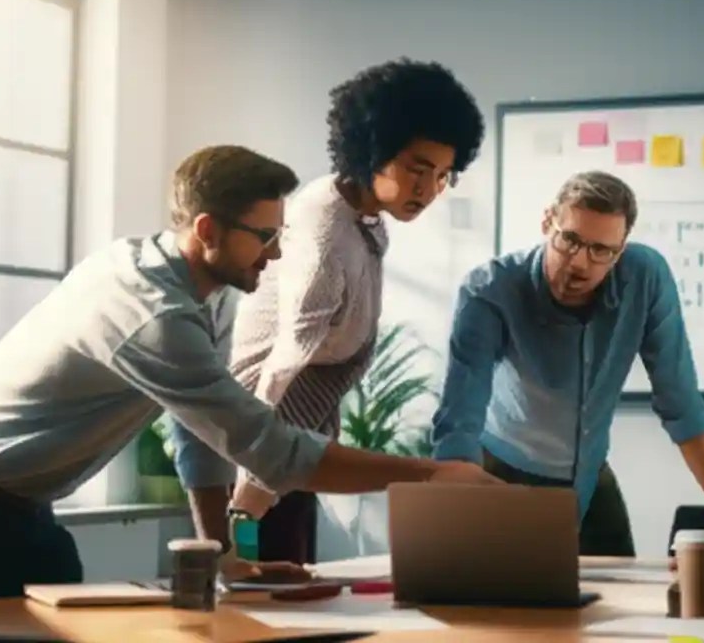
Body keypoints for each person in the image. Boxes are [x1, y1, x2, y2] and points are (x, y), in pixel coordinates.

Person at [0, 144, 498, 604]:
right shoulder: (153, 313)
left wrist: (224, 555)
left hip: (21, 510)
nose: (278, 254)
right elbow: (271, 448)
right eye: (265, 236)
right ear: (207, 230)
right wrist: (431, 473)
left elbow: (196, 431)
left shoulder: (202, 291)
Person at [169, 59, 486, 563]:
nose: (428, 190)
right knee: (265, 599)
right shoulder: (323, 234)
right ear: (374, 149)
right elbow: (286, 366)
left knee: (293, 593)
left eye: (443, 176)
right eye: (416, 169)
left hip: (300, 433)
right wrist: (250, 498)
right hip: (265, 433)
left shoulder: (362, 212)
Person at [431, 170, 704, 556]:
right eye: (569, 240)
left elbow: (680, 400)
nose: (580, 264)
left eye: (601, 250)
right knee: (503, 607)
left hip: (587, 474)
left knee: (620, 600)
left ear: (620, 251)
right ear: (547, 221)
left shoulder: (645, 278)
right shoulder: (489, 290)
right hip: (502, 471)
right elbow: (459, 419)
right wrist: (449, 527)